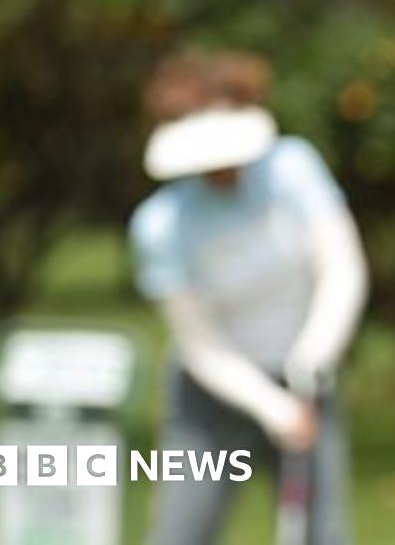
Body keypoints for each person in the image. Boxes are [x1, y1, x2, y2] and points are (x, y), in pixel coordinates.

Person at [129, 51, 369, 544]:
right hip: (210, 396)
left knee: (322, 534)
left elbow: (342, 268)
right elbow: (200, 345)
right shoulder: (161, 225)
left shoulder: (294, 169)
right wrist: (272, 408)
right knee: (180, 534)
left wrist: (315, 355)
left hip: (307, 378)